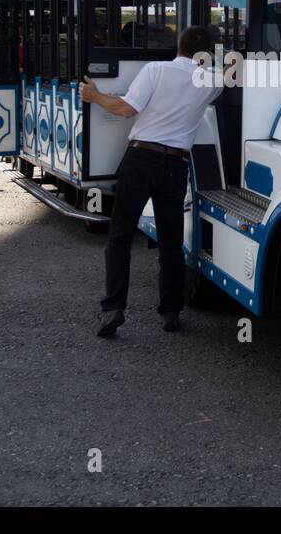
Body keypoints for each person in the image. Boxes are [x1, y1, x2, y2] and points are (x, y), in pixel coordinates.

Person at [80, 26, 220, 337]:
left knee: (120, 236)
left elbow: (127, 109)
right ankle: (170, 312)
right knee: (170, 241)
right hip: (177, 164)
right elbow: (233, 71)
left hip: (141, 158)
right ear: (207, 53)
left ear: (178, 46)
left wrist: (95, 96)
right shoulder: (212, 81)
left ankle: (113, 308)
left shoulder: (155, 70)